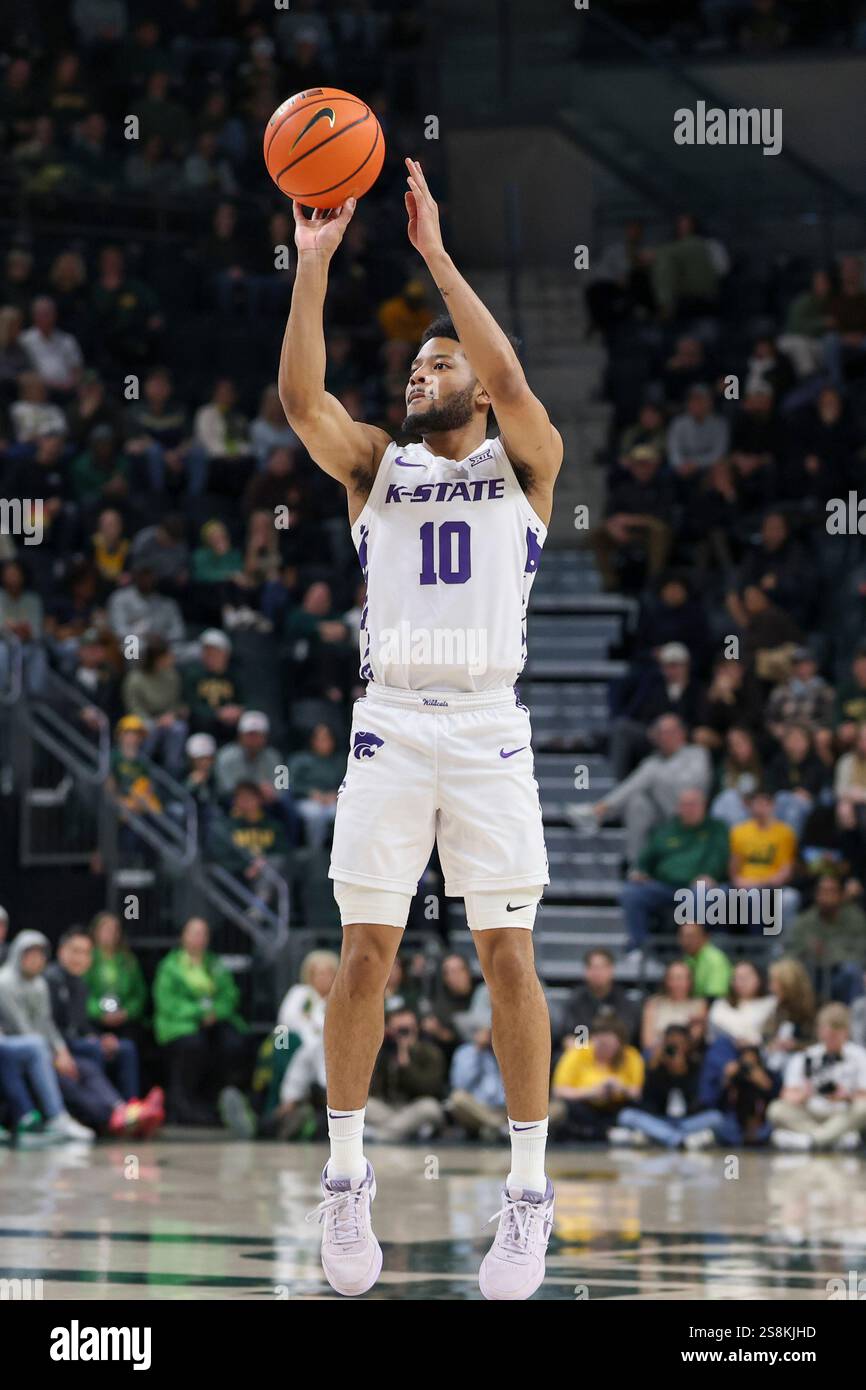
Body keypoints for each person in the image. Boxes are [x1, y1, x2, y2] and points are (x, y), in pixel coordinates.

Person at [284, 160, 562, 1299]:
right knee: (364, 952)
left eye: (437, 359)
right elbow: (305, 403)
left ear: (479, 392)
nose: (421, 367)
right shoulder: (375, 468)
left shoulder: (524, 462)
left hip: (489, 725)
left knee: (508, 957)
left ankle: (527, 1195)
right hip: (390, 724)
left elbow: (502, 365)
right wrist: (311, 268)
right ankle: (345, 1179)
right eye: (411, 360)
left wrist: (438, 257)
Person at [153, 916, 248, 1125]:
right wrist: (199, 1013)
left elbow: (229, 995)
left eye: (203, 933)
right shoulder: (169, 966)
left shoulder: (215, 965)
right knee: (193, 1045)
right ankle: (184, 1106)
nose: (199, 938)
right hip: (178, 1025)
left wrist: (214, 1012)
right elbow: (168, 1003)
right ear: (183, 936)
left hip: (214, 1021)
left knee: (233, 1044)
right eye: (194, 933)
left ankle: (220, 1102)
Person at [620, 787, 730, 954]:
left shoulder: (716, 828)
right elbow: (646, 858)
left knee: (699, 894)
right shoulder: (667, 829)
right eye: (685, 804)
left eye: (693, 804)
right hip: (665, 887)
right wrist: (639, 871)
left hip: (700, 887)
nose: (689, 808)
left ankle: (691, 952)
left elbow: (720, 856)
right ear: (678, 807)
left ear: (704, 805)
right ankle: (638, 949)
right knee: (631, 893)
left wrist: (711, 875)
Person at [768, 1003, 866, 1151]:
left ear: (846, 1032)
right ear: (820, 1032)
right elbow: (787, 1095)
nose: (830, 1039)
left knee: (863, 1108)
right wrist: (805, 1094)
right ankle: (831, 1140)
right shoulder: (806, 1057)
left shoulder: (859, 1056)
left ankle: (811, 1141)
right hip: (810, 1112)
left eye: (835, 1036)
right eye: (827, 1035)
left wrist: (846, 1096)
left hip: (842, 1114)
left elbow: (863, 1096)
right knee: (776, 1109)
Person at [610, 1025, 723, 1150]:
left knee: (716, 1117)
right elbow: (646, 1104)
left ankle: (660, 1137)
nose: (674, 1049)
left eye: (679, 1044)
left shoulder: (696, 1065)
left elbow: (699, 1103)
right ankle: (680, 1140)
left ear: (687, 1045)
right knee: (626, 1115)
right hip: (659, 1120)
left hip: (686, 1121)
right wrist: (654, 1070)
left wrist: (681, 1073)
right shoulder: (654, 1065)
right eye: (670, 1044)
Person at [550, 1018, 644, 1142]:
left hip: (617, 1108)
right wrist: (591, 1092)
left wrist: (621, 1088)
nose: (605, 1050)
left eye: (610, 1045)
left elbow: (636, 1093)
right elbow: (558, 1090)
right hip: (582, 1106)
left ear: (620, 1043)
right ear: (593, 1039)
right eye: (601, 1045)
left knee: (632, 1113)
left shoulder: (630, 1056)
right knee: (560, 1108)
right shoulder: (578, 1052)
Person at [563, 948, 641, 1048]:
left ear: (611, 969)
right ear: (586, 971)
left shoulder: (623, 1001)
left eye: (602, 968)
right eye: (593, 968)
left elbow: (626, 1034)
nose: (597, 973)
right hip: (583, 1054)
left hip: (615, 1055)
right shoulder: (576, 1000)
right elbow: (568, 1035)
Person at [640, 961, 707, 1053]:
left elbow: (695, 1038)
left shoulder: (699, 1005)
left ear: (689, 981)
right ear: (666, 981)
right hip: (657, 1053)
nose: (675, 983)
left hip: (685, 1054)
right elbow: (647, 1042)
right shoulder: (653, 1004)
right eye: (671, 978)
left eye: (680, 978)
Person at [678, 920, 733, 999]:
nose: (686, 941)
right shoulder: (687, 958)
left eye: (691, 936)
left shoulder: (715, 959)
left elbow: (715, 997)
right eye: (683, 936)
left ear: (705, 937)